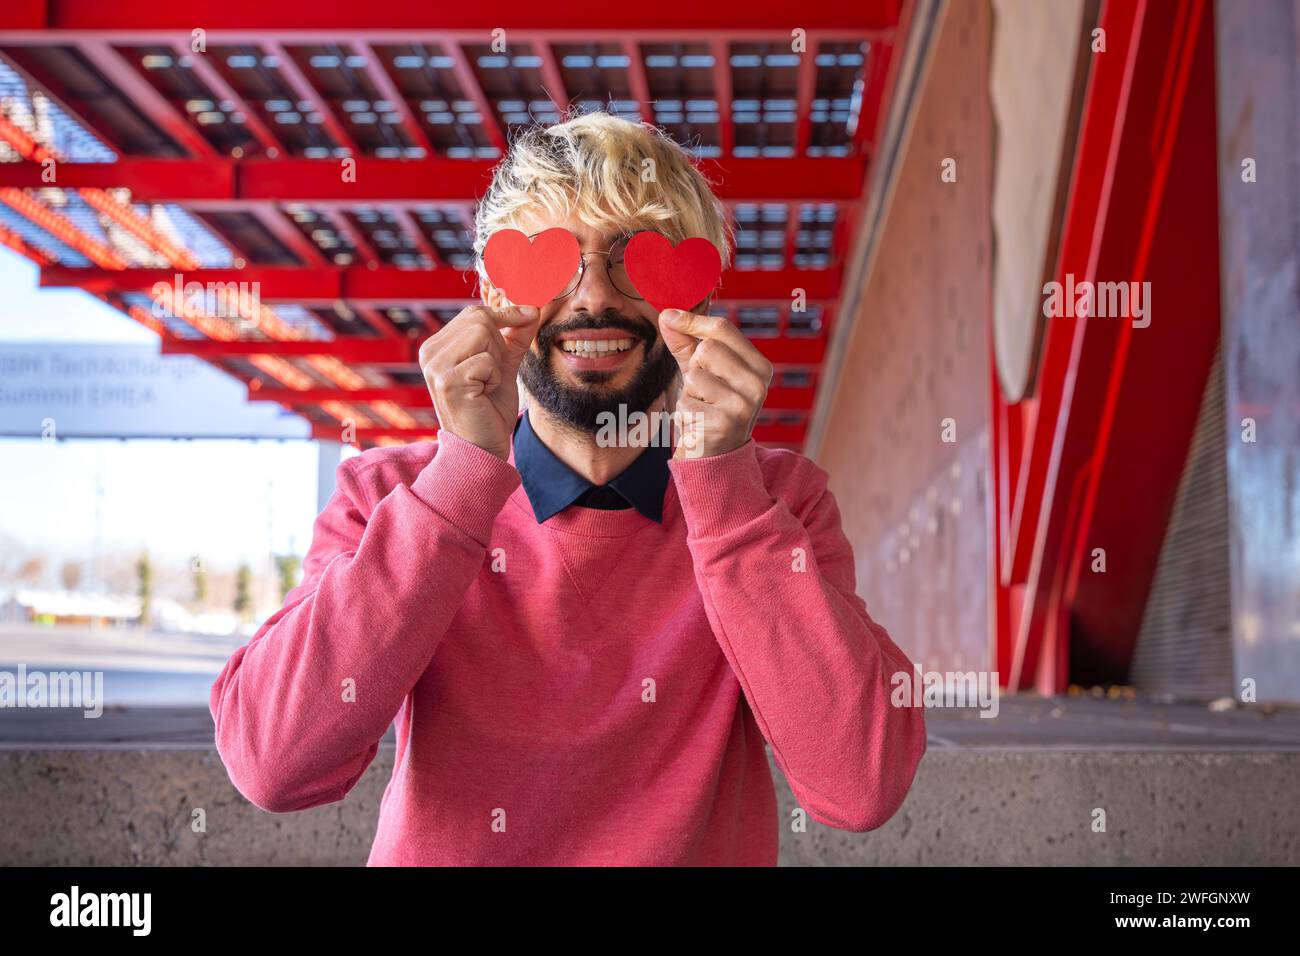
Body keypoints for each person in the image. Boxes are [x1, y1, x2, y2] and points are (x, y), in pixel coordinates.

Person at [209, 111, 926, 866]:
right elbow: (271, 764)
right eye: (548, 264)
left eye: (637, 259)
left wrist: (724, 489)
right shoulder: (391, 491)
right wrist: (458, 483)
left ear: (698, 294)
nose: (592, 297)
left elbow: (860, 785)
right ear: (492, 294)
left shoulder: (777, 501)